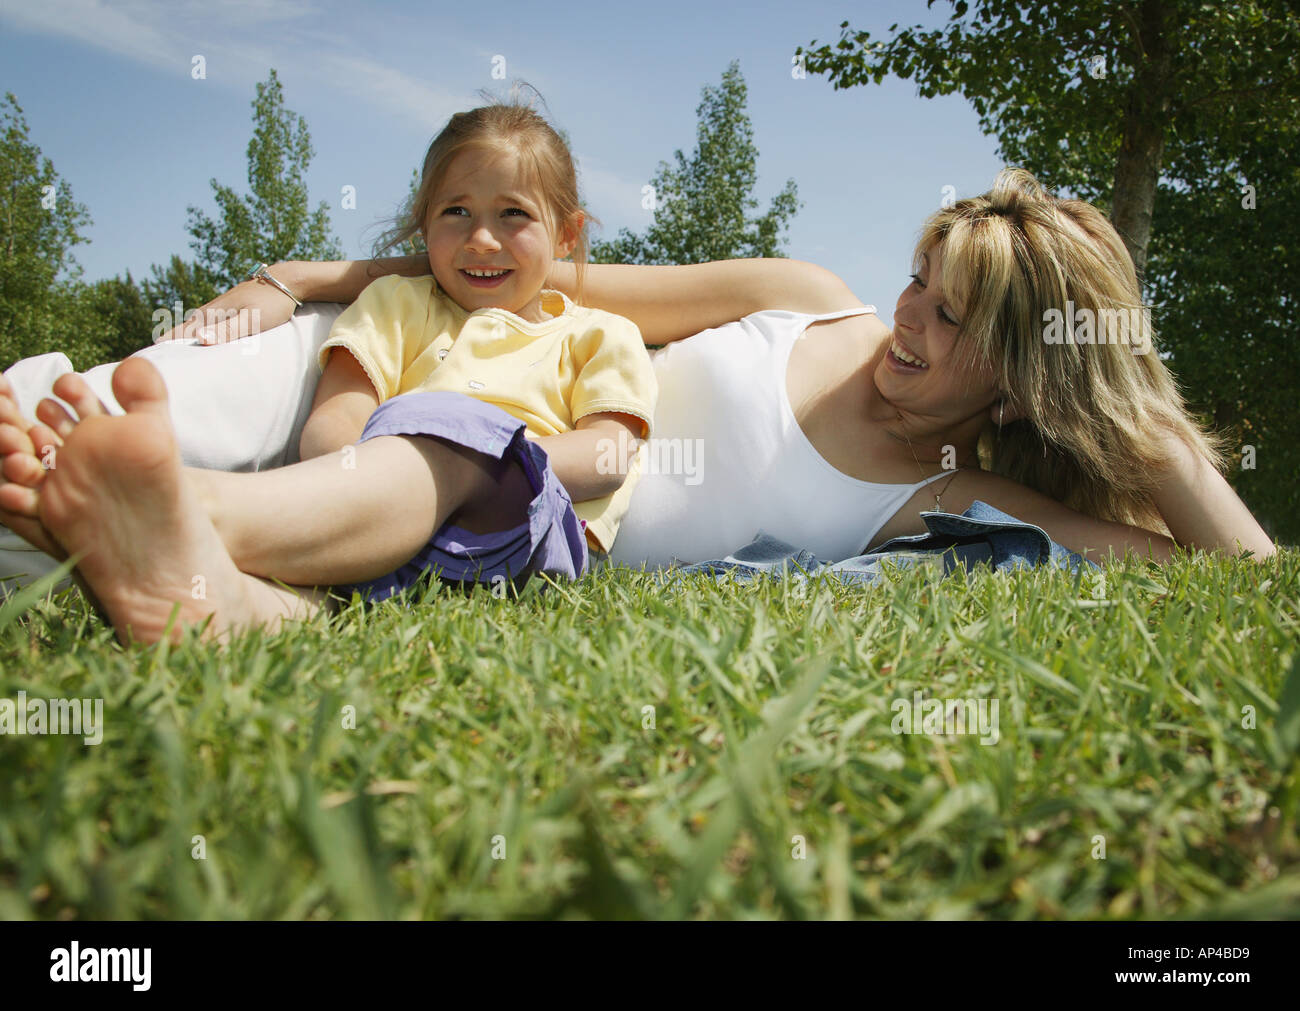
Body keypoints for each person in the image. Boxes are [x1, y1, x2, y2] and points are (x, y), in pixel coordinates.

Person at [0, 168, 1276, 645]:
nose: (905, 321)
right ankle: (152, 517)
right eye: (916, 280)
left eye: (951, 320)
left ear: (1024, 372)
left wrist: (1140, 417)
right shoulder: (796, 292)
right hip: (396, 360)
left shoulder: (959, 497)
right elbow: (513, 271)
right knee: (46, 403)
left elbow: (1236, 574)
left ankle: (173, 531)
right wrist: (296, 279)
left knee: (476, 456)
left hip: (501, 514)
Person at [0, 101, 657, 641]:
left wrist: (471, 456)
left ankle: (187, 508)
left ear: (567, 234)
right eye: (455, 211)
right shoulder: (394, 305)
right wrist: (366, 492)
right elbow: (335, 419)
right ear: (422, 225)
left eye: (513, 214)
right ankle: (217, 603)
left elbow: (607, 453)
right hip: (378, 531)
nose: (481, 238)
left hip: (524, 540)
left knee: (455, 439)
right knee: (325, 606)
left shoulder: (597, 332)